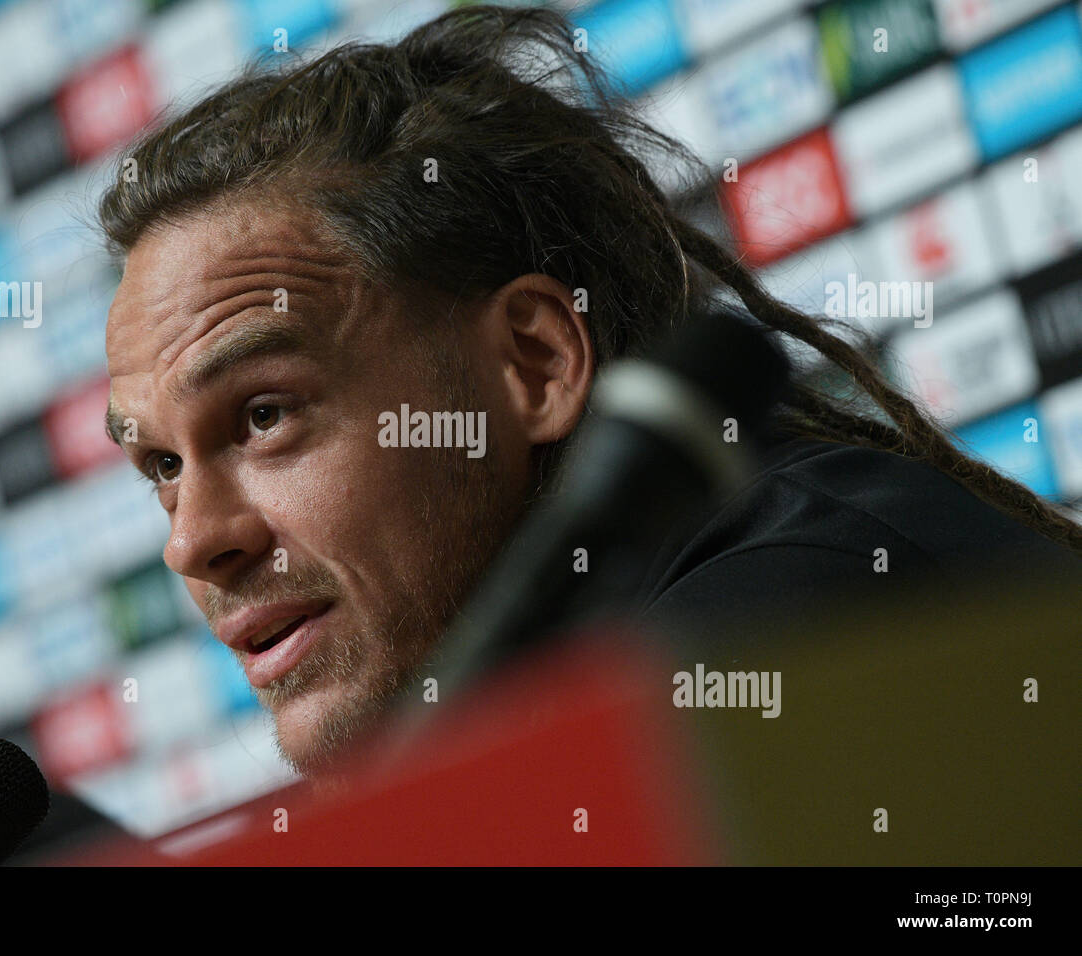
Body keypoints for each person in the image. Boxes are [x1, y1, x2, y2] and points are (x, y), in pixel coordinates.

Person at [98, 6, 1081, 778]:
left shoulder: (788, 614)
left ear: (533, 364)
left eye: (264, 416)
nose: (194, 540)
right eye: (162, 465)